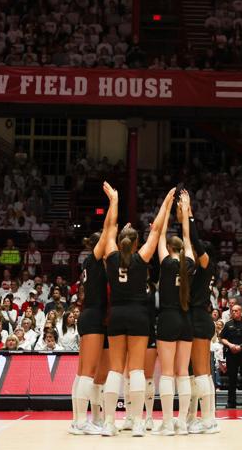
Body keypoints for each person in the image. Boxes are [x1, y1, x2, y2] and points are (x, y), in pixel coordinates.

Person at [100, 188, 173, 437]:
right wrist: (166, 202)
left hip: (117, 316)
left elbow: (108, 229)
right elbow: (156, 230)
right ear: (136, 243)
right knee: (137, 370)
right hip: (139, 316)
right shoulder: (142, 258)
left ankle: (109, 423)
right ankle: (139, 423)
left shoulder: (109, 257)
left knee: (115, 370)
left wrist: (115, 201)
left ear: (120, 241)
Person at [69, 182, 115, 436]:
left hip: (102, 318)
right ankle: (78, 421)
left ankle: (95, 418)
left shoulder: (104, 266)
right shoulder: (92, 259)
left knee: (99, 374)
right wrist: (112, 204)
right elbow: (108, 231)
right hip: (93, 316)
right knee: (85, 372)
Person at [153, 190, 197, 435]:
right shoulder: (188, 263)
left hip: (168, 318)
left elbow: (158, 234)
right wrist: (187, 212)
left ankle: (168, 423)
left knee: (168, 374)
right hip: (186, 319)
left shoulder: (166, 263)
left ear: (169, 248)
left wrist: (167, 206)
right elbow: (189, 240)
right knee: (183, 373)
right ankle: (183, 422)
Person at [186, 193, 219, 435]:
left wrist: (188, 217)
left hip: (200, 318)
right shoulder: (196, 269)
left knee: (202, 372)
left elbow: (195, 243)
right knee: (191, 374)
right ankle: (191, 416)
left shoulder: (207, 265)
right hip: (192, 318)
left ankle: (209, 420)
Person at [220, 304, 242, 409]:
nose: (234, 313)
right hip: (231, 355)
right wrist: (230, 345)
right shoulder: (228, 324)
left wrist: (241, 346)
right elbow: (222, 338)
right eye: (232, 311)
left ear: (241, 312)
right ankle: (231, 403)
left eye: (236, 311)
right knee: (232, 379)